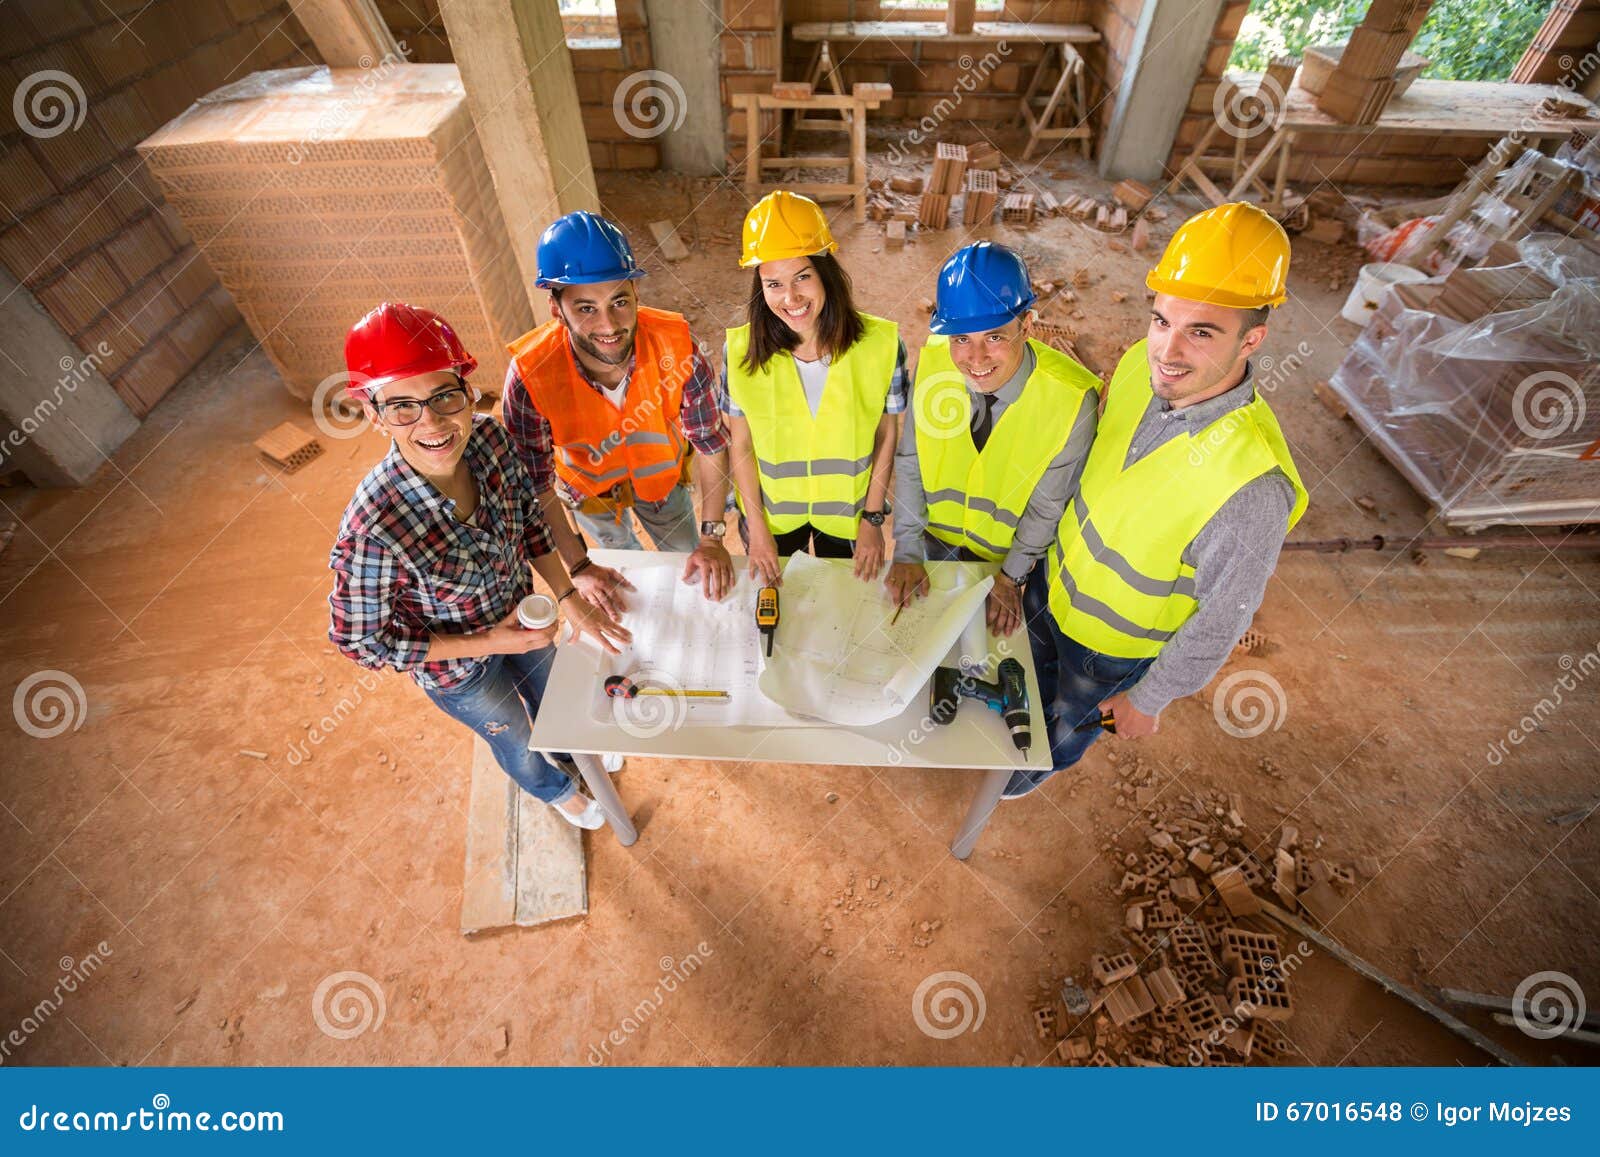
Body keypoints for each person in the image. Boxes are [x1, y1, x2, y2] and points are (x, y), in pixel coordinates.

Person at [1005, 202, 1308, 800]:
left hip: (1107, 653)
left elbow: (1224, 616)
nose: (1167, 351)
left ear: (1252, 337)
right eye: (1162, 321)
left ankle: (1022, 775)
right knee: (1021, 688)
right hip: (1047, 592)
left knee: (1058, 728)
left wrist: (1150, 698)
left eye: (1201, 331)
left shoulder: (1252, 485)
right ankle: (1004, 746)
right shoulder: (1137, 373)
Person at [328, 303, 630, 830]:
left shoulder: (490, 441)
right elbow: (362, 642)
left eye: (444, 395)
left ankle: (578, 748)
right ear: (374, 416)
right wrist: (493, 642)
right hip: (459, 671)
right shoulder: (373, 527)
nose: (432, 422)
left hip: (528, 623)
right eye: (402, 406)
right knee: (512, 732)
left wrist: (567, 596)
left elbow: (530, 520)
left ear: (468, 390)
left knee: (558, 693)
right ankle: (556, 788)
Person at [887, 243, 1099, 693]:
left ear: (1027, 324)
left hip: (1001, 561)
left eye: (995, 337)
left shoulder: (1071, 401)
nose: (975, 359)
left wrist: (1011, 578)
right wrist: (906, 550)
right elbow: (910, 462)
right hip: (932, 545)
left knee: (982, 667)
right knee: (917, 655)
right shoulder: (935, 366)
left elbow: (1048, 506)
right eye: (962, 338)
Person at [504, 211, 736, 609]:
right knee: (622, 568)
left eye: (619, 301)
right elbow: (536, 486)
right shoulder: (531, 375)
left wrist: (712, 537)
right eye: (586, 308)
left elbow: (711, 443)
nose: (609, 325)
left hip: (661, 483)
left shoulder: (676, 346)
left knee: (685, 560)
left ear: (636, 293)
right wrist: (578, 565)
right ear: (556, 308)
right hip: (591, 493)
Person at [721, 191, 907, 585]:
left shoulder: (881, 344)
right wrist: (755, 529)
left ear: (826, 273)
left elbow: (887, 433)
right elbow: (740, 445)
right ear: (760, 286)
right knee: (783, 605)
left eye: (802, 277)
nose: (790, 298)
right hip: (772, 516)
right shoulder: (739, 350)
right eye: (773, 283)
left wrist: (874, 519)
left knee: (838, 602)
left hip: (848, 514)